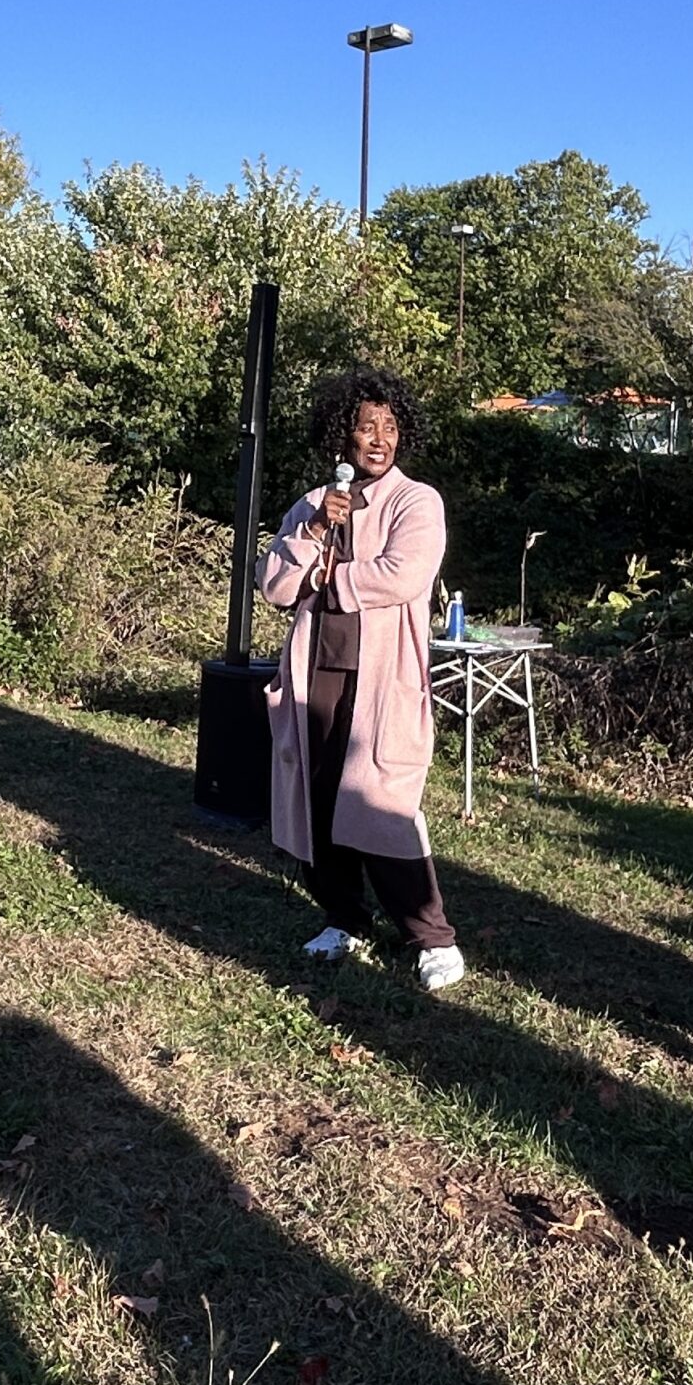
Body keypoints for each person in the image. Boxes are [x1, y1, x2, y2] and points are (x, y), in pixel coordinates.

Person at [259, 368, 464, 992]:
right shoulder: (313, 505)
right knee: (317, 801)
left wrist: (331, 581)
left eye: (391, 428)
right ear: (341, 436)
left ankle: (432, 938)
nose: (380, 440)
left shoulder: (416, 500)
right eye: (366, 427)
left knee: (381, 804)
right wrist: (319, 529)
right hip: (314, 672)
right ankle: (345, 917)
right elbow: (274, 586)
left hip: (382, 679)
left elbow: (404, 574)